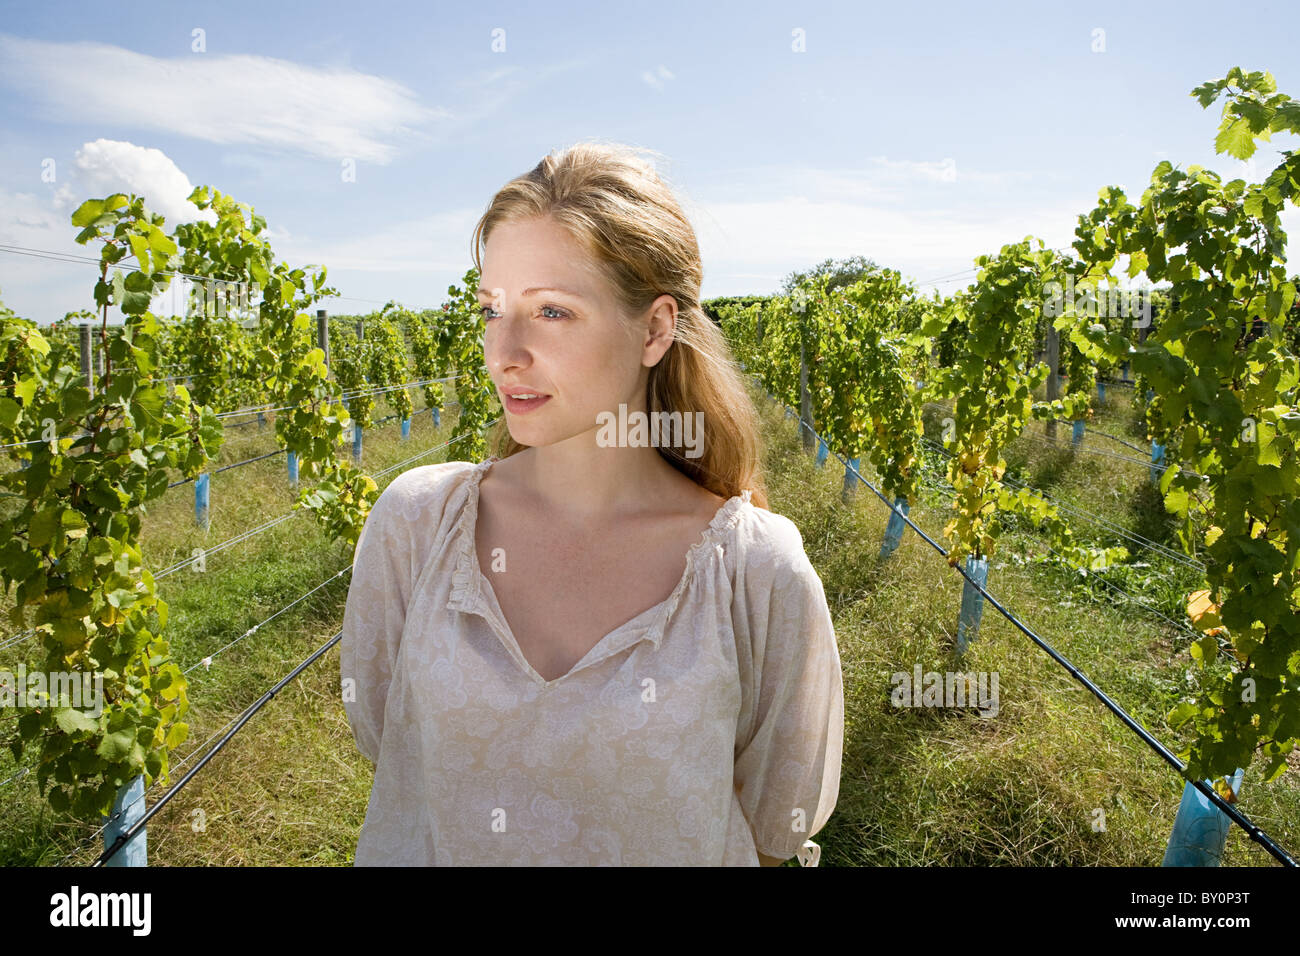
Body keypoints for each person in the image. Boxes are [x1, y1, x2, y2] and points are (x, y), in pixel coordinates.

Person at [340, 141, 844, 866]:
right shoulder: (417, 525)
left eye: (551, 311)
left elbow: (774, 827)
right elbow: (395, 750)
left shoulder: (755, 572)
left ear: (655, 329)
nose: (503, 352)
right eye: (492, 310)